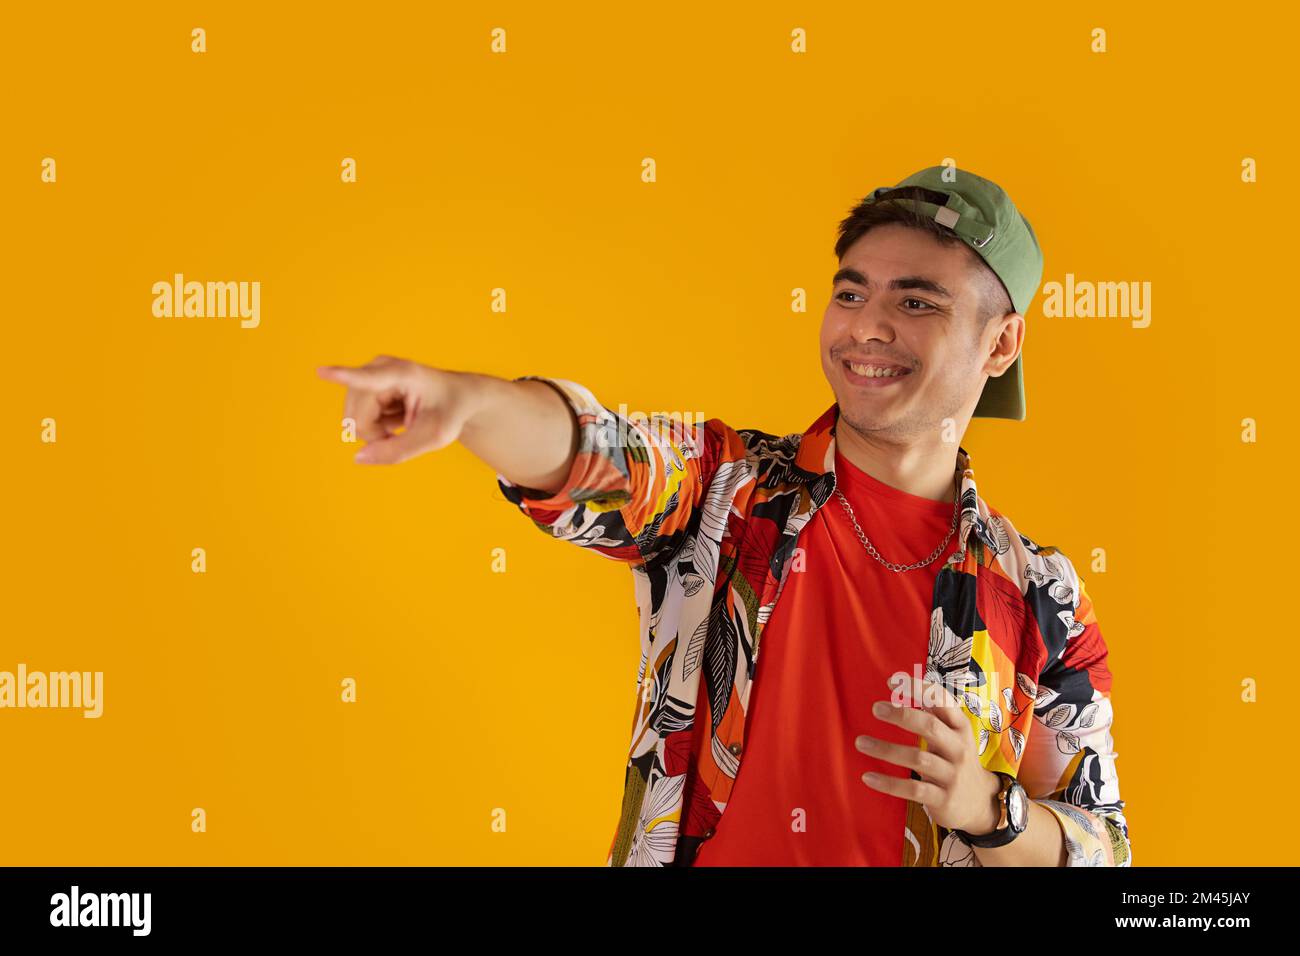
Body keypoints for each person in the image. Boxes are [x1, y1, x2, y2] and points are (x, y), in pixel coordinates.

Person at [317, 166, 1130, 868]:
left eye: (917, 302)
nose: (865, 327)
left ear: (1000, 345)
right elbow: (598, 453)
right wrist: (468, 402)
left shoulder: (1037, 599)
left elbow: (1101, 844)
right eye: (851, 292)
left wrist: (991, 809)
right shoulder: (727, 491)